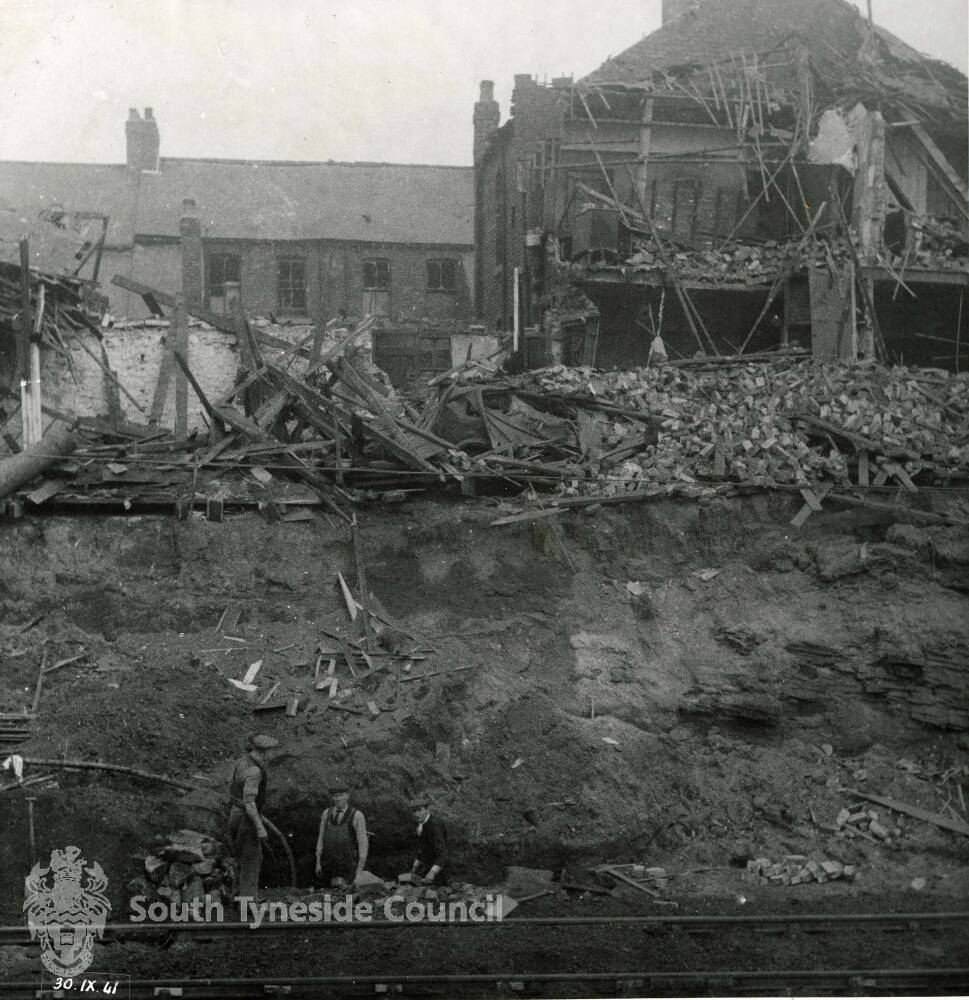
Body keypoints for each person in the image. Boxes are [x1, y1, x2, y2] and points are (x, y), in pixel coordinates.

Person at [228, 734, 278, 904]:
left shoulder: (242, 762)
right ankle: (248, 902)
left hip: (235, 814)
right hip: (246, 819)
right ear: (265, 752)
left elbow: (235, 792)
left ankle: (237, 896)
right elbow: (249, 802)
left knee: (241, 856)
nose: (272, 755)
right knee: (252, 858)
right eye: (271, 751)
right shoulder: (255, 771)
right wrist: (259, 827)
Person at [315, 782, 368, 889]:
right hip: (329, 864)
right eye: (335, 796)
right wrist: (318, 862)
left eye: (341, 795)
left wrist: (359, 870)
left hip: (348, 865)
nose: (338, 799)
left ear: (347, 796)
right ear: (332, 798)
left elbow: (363, 843)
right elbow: (321, 838)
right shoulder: (326, 813)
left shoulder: (357, 815)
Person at [409, 793, 448, 885]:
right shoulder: (419, 824)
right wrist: (414, 868)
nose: (416, 814)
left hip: (441, 870)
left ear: (427, 810)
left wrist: (432, 872)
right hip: (427, 867)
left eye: (419, 810)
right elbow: (422, 849)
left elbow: (443, 854)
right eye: (414, 811)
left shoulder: (436, 825)